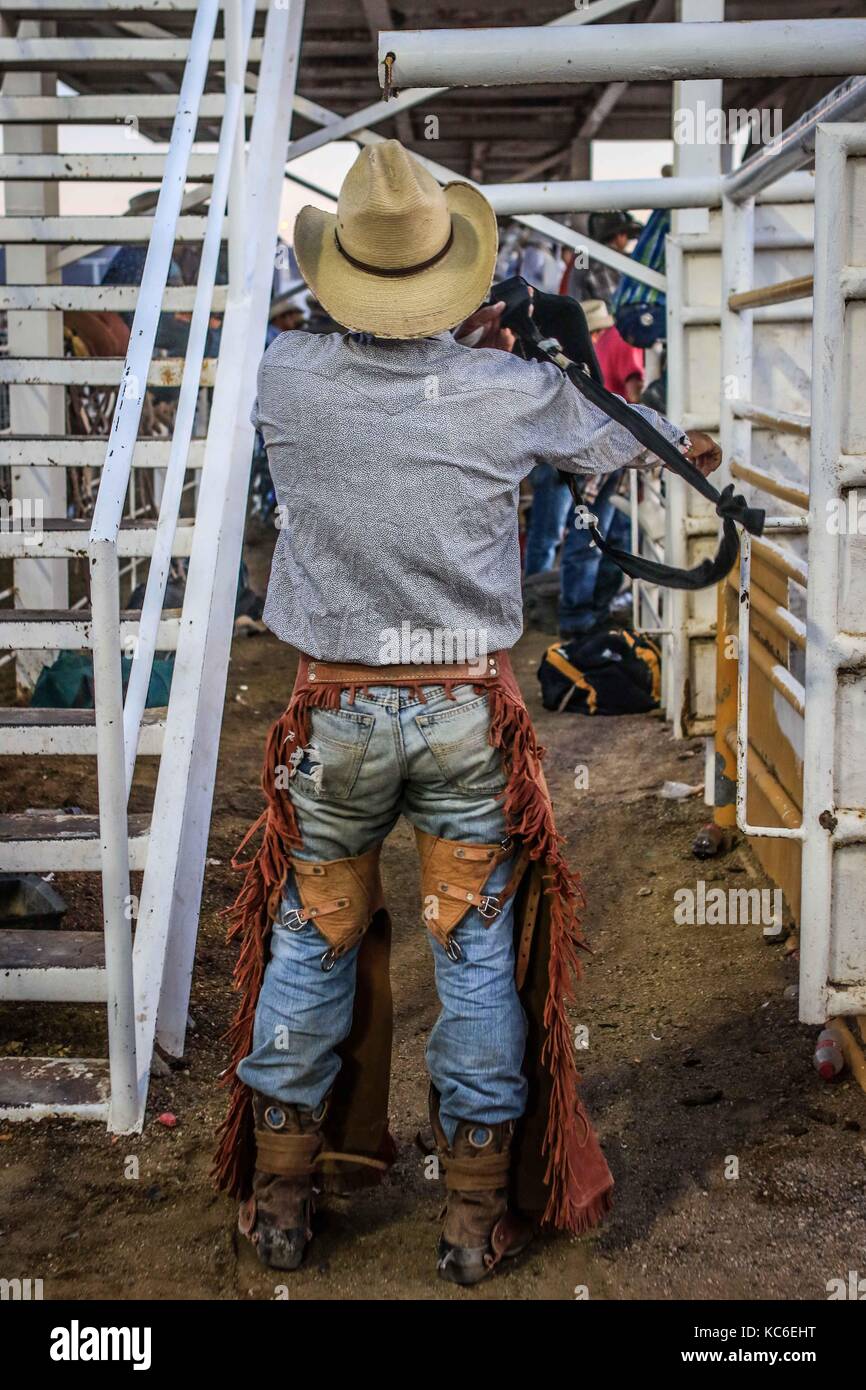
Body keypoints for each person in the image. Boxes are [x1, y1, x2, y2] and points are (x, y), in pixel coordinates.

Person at [213, 141, 722, 1286]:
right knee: (476, 948)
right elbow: (644, 443)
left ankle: (287, 1196)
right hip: (460, 716)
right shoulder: (513, 391)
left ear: (342, 271)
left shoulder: (280, 374)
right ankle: (474, 1211)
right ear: (455, 279)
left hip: (332, 715)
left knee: (310, 938)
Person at [558, 298, 647, 637]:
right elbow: (636, 395)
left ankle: (587, 612)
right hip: (609, 449)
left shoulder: (608, 342)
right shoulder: (625, 343)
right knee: (597, 536)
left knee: (597, 534)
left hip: (601, 447)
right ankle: (581, 616)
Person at [564, 209, 643, 309]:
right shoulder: (604, 261)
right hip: (595, 320)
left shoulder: (587, 256)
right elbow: (612, 304)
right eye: (627, 236)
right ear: (619, 236)